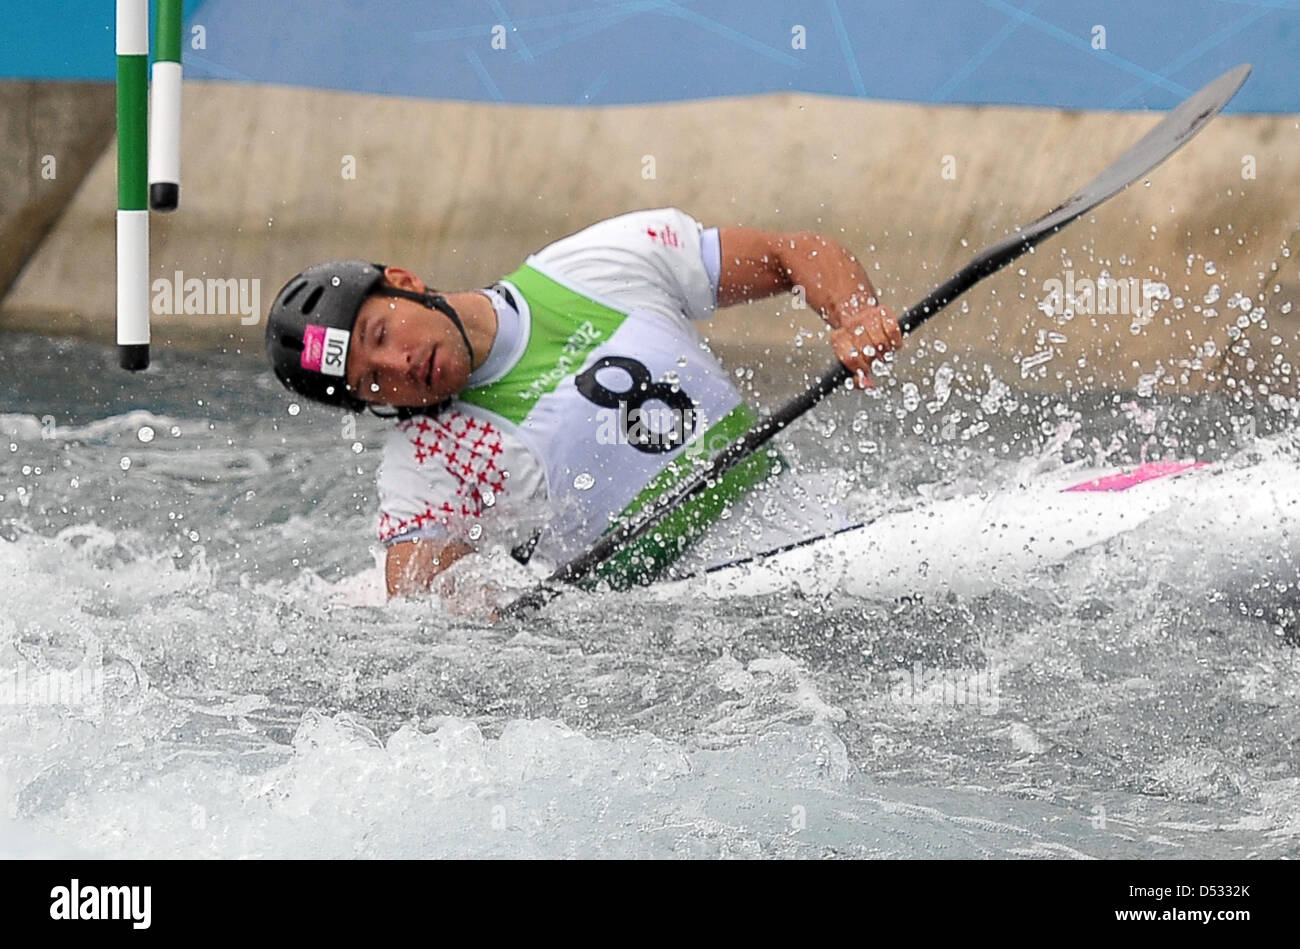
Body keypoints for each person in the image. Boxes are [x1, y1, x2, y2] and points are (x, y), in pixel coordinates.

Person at [265, 208, 901, 604]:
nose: (399, 367)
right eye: (372, 385)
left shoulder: (590, 265)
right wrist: (467, 594)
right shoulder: (428, 456)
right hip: (697, 617)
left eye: (381, 336)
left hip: (823, 526)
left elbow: (795, 253)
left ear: (402, 284)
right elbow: (416, 589)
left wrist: (855, 316)